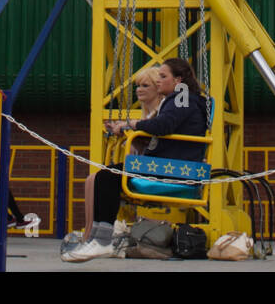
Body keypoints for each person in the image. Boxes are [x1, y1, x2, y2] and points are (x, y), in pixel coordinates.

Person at [63, 58, 207, 263]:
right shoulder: (181, 99)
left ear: (178, 80)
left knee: (107, 177)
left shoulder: (182, 98)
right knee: (106, 176)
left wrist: (131, 125)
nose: (159, 81)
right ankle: (95, 238)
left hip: (174, 169)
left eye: (163, 77)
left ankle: (101, 241)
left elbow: (164, 125)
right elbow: (168, 132)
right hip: (171, 164)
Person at [71, 66, 164, 246]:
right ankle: (90, 231)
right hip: (143, 163)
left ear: (157, 88)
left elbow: (153, 133)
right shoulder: (148, 114)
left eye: (145, 85)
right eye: (137, 86)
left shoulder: (161, 113)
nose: (139, 90)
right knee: (93, 179)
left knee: (106, 177)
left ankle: (102, 236)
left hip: (153, 166)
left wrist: (128, 129)